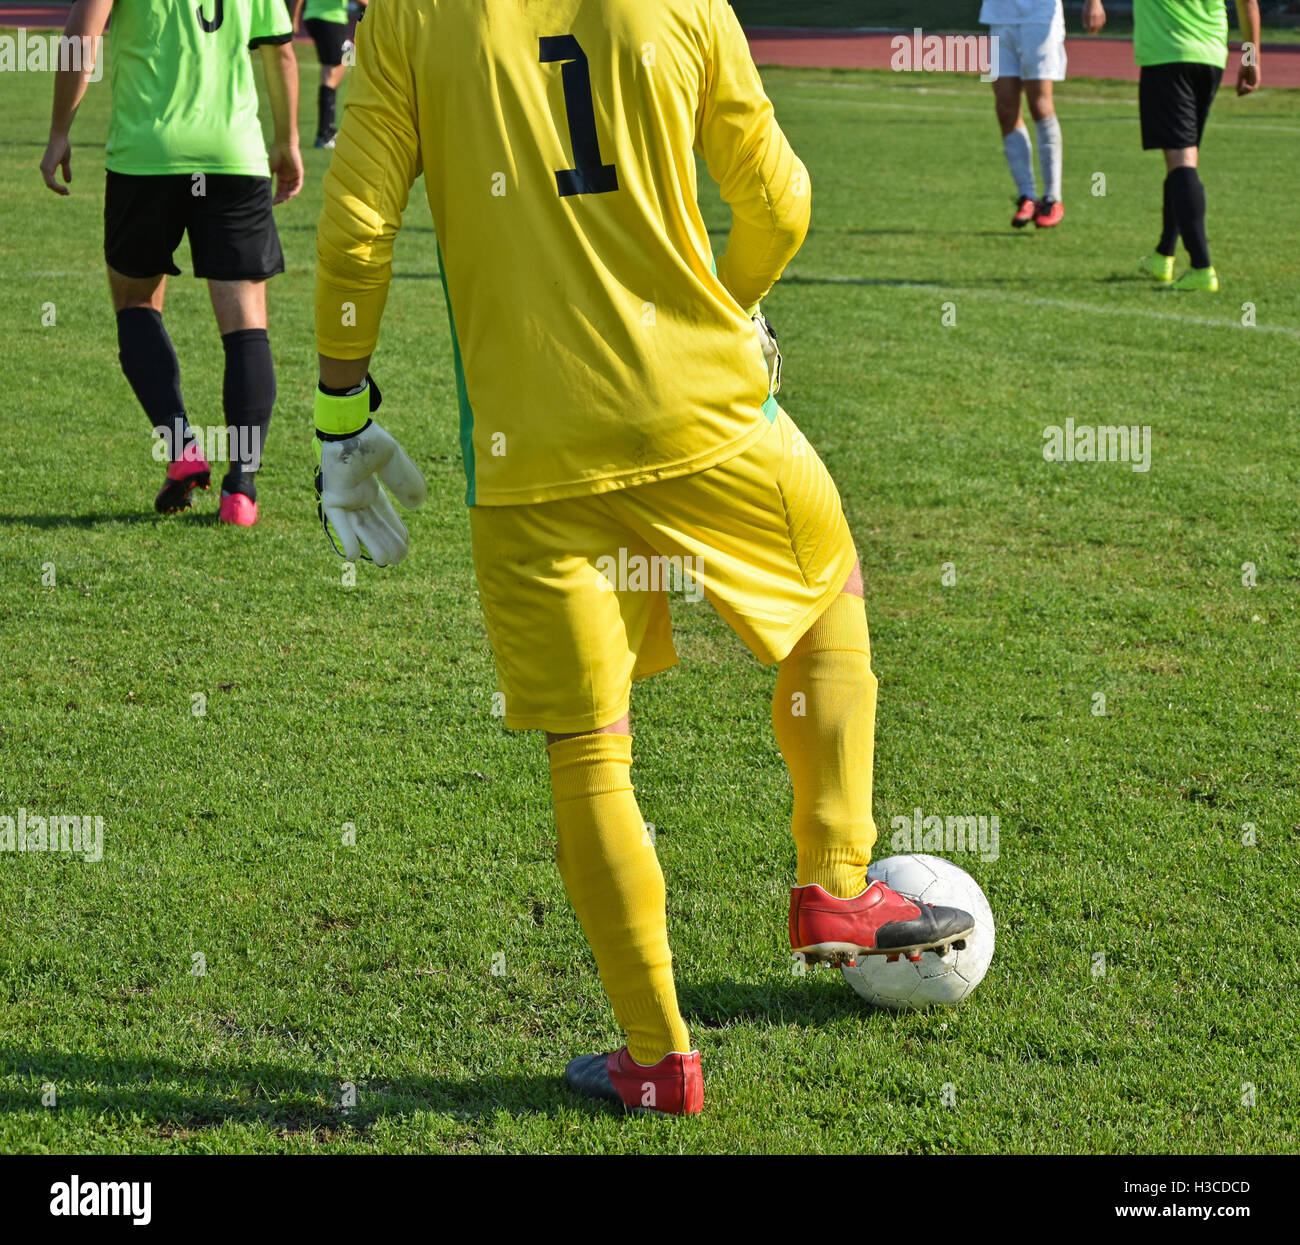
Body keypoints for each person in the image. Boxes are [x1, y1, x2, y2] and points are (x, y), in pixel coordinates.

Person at [310, 0, 975, 1116]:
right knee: (827, 605)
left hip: (530, 453)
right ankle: (835, 881)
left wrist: (340, 413)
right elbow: (779, 199)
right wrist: (740, 299)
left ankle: (659, 1062)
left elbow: (356, 229)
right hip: (705, 409)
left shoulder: (411, 16)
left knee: (588, 745)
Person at [40, 0, 302, 525]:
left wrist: (59, 133)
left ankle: (182, 445)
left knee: (136, 301)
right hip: (233, 155)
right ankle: (241, 493)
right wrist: (288, 141)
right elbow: (281, 54)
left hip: (147, 155)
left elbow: (82, 33)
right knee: (247, 324)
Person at [1096, 0, 1261, 291]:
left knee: (1180, 159)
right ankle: (1163, 255)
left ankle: (1201, 267)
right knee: (1182, 157)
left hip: (1167, 53)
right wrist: (1250, 58)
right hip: (1210, 56)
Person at [980, 0, 1094, 228]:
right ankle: (1027, 196)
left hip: (1039, 17)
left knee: (1040, 105)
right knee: (1005, 107)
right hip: (999, 15)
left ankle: (1052, 198)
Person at [293, 0, 367, 149]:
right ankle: (325, 134)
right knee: (340, 66)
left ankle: (327, 132)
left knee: (330, 69)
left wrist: (295, 17)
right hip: (331, 19)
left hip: (312, 17)